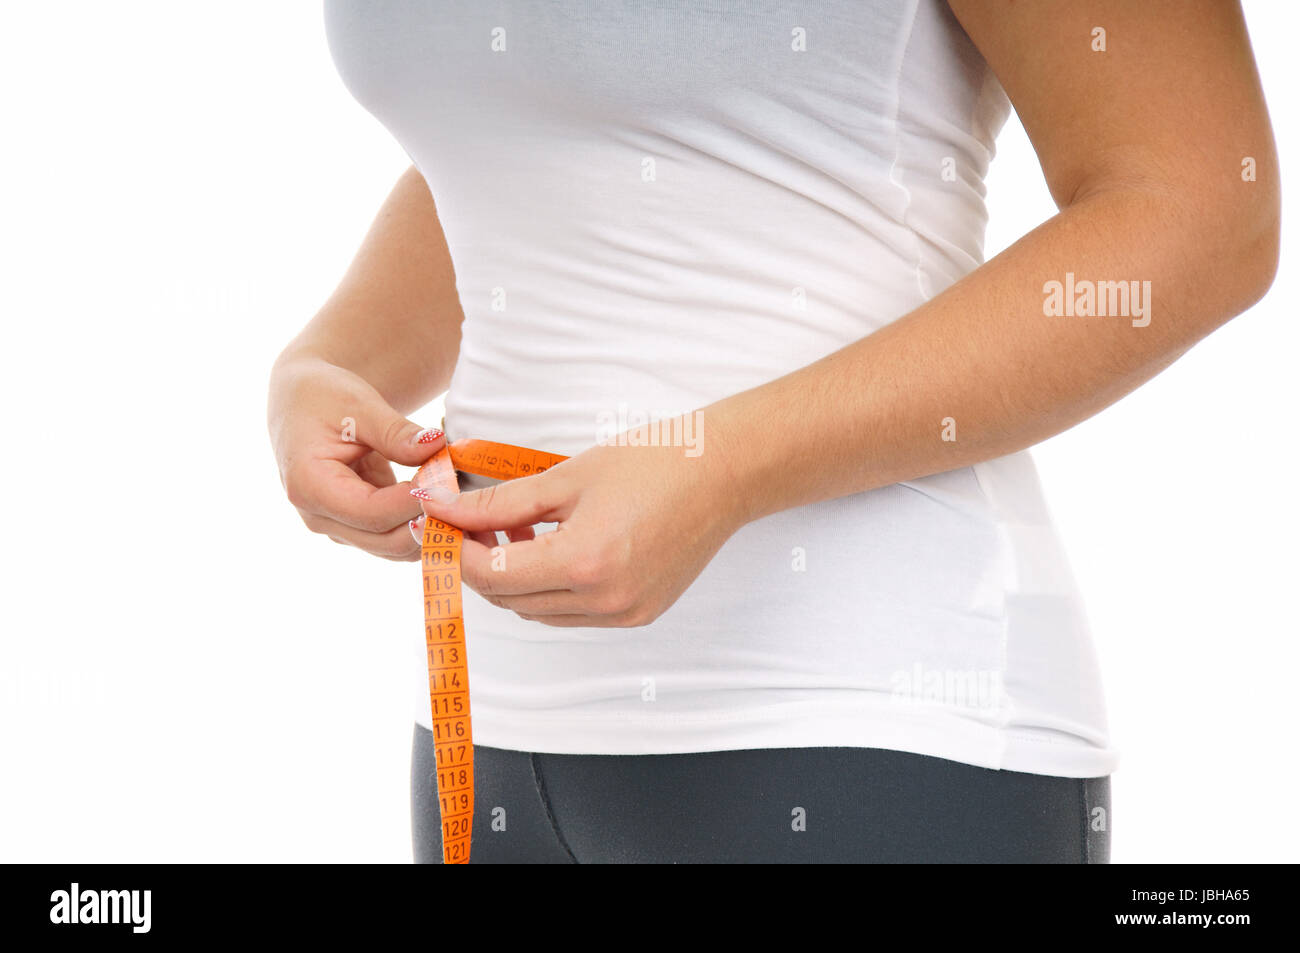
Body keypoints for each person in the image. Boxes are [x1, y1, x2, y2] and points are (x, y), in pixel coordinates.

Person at [267, 0, 1279, 862]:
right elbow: (540, 131)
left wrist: (726, 465)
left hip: (867, 730)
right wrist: (329, 363)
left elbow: (1199, 207)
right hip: (489, 731)